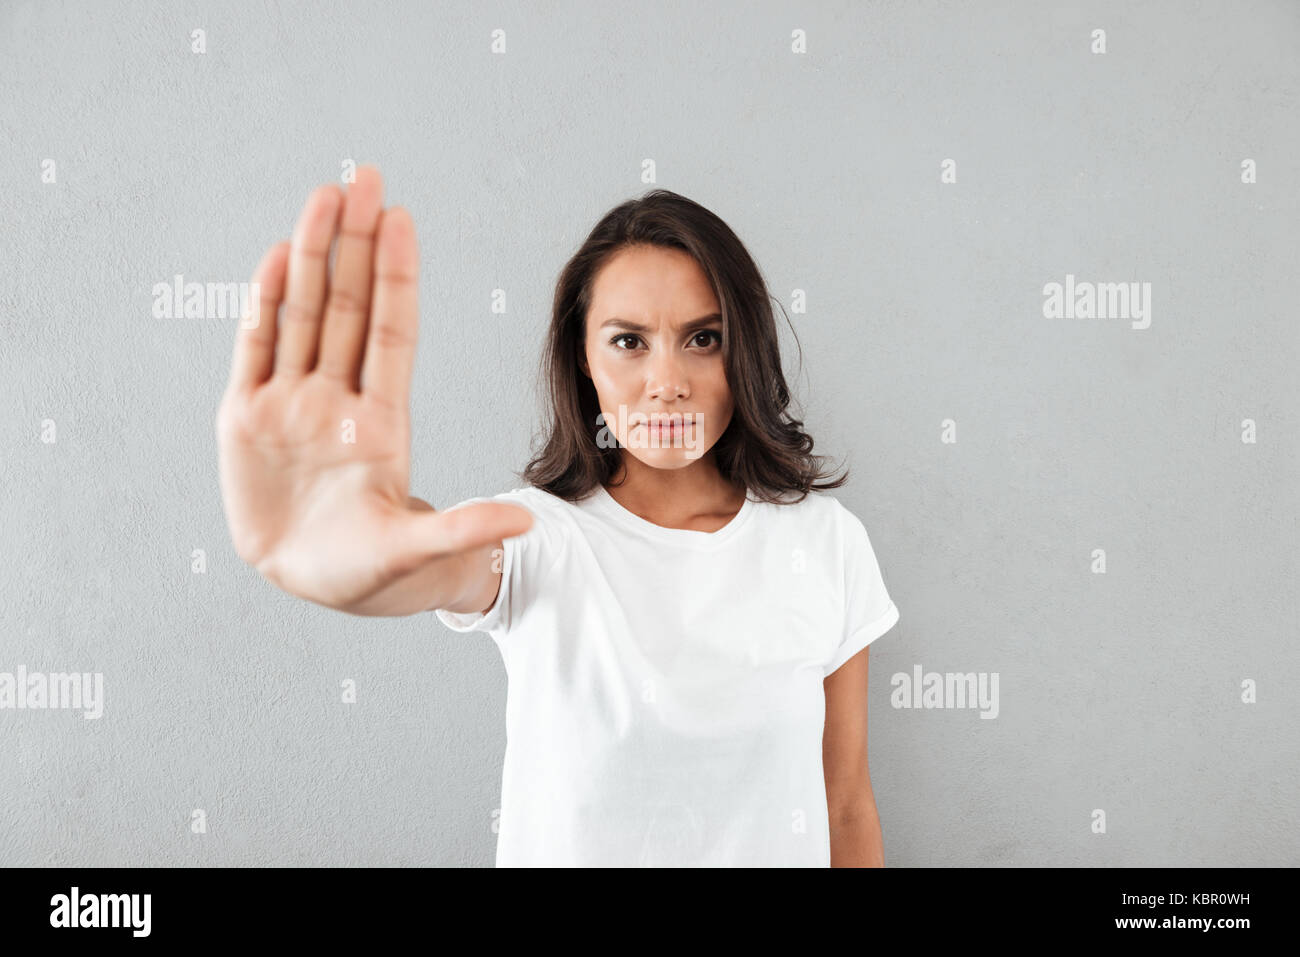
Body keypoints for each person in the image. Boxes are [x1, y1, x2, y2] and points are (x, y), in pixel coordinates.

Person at [216, 166, 901, 867]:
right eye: (629, 341)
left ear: (745, 348)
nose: (667, 383)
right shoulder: (533, 536)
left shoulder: (825, 542)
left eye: (704, 338)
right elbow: (434, 565)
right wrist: (345, 547)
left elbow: (845, 803)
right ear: (583, 358)